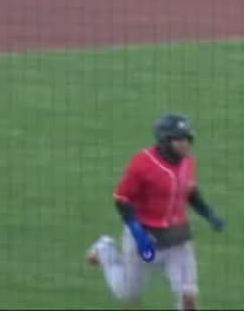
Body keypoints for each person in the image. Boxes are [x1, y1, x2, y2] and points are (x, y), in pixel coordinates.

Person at [87, 114, 226, 311]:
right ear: (165, 140)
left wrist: (209, 214)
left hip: (178, 239)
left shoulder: (188, 163)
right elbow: (122, 198)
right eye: (179, 139)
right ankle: (105, 250)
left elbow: (190, 192)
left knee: (188, 296)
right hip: (146, 239)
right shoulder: (143, 163)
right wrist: (138, 233)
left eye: (187, 138)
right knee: (128, 294)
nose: (185, 143)